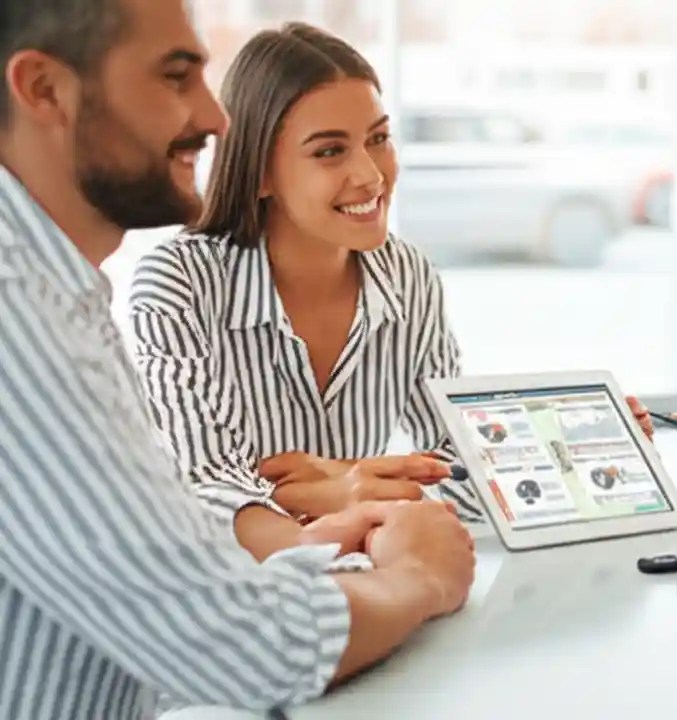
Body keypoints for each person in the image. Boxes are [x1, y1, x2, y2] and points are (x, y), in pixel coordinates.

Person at [0, 0, 475, 716]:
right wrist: (416, 574)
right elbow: (240, 641)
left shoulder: (62, 294)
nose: (215, 120)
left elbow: (461, 457)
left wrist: (337, 490)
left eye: (378, 138)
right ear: (44, 90)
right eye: (174, 76)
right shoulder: (22, 317)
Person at [127, 23, 656, 559]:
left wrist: (342, 482)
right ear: (260, 173)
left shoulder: (407, 276)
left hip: (368, 572)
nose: (371, 175)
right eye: (330, 152)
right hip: (231, 594)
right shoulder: (180, 285)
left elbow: (460, 468)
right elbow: (203, 490)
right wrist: (342, 500)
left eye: (378, 139)